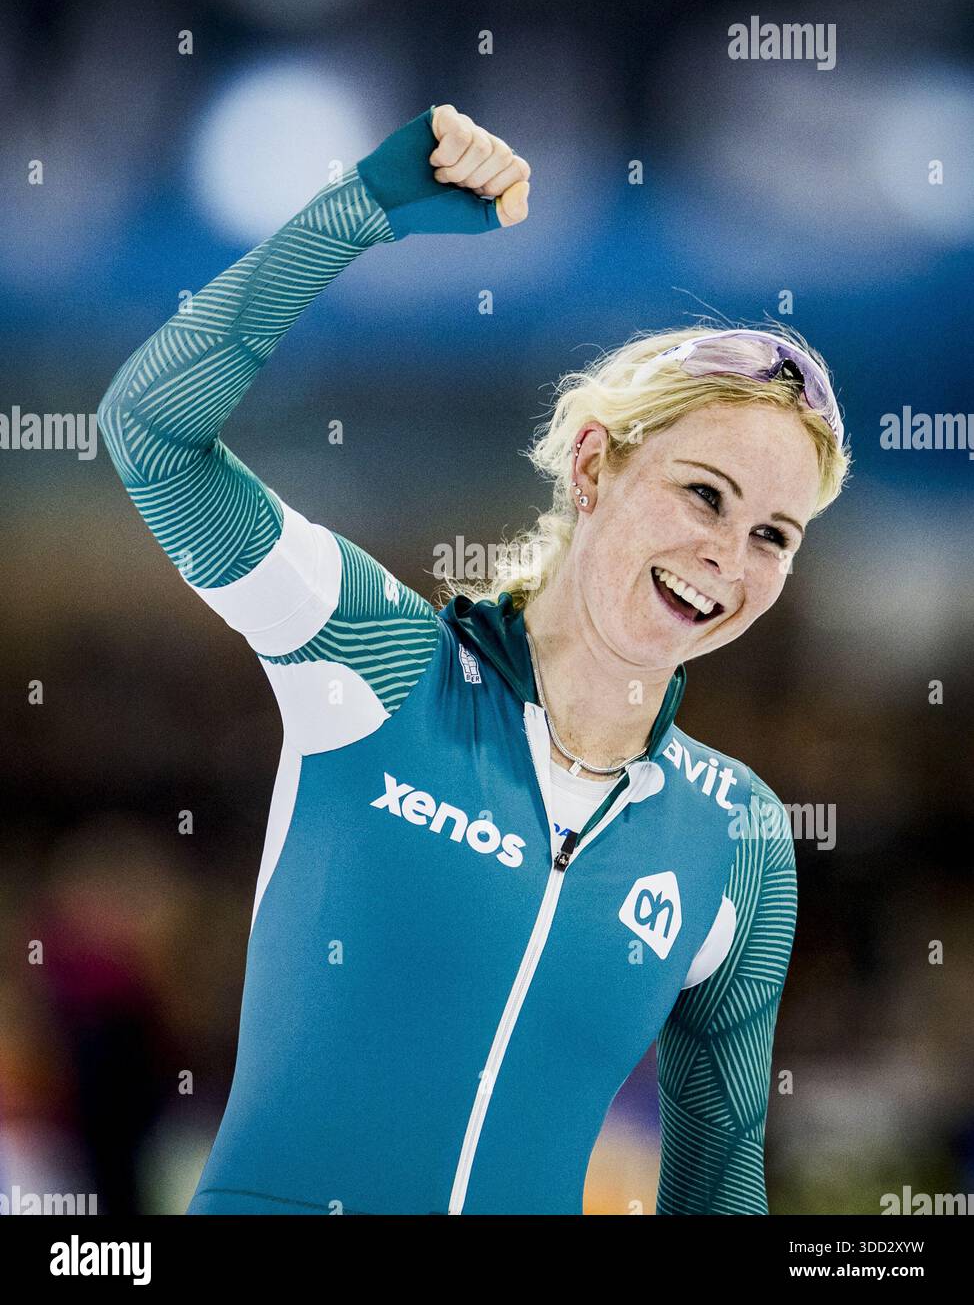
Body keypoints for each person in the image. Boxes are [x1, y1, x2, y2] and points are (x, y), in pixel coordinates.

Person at [96, 104, 850, 1215]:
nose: (723, 557)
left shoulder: (733, 836)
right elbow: (149, 432)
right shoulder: (374, 655)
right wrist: (360, 210)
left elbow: (717, 1182)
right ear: (592, 465)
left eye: (771, 536)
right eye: (702, 493)